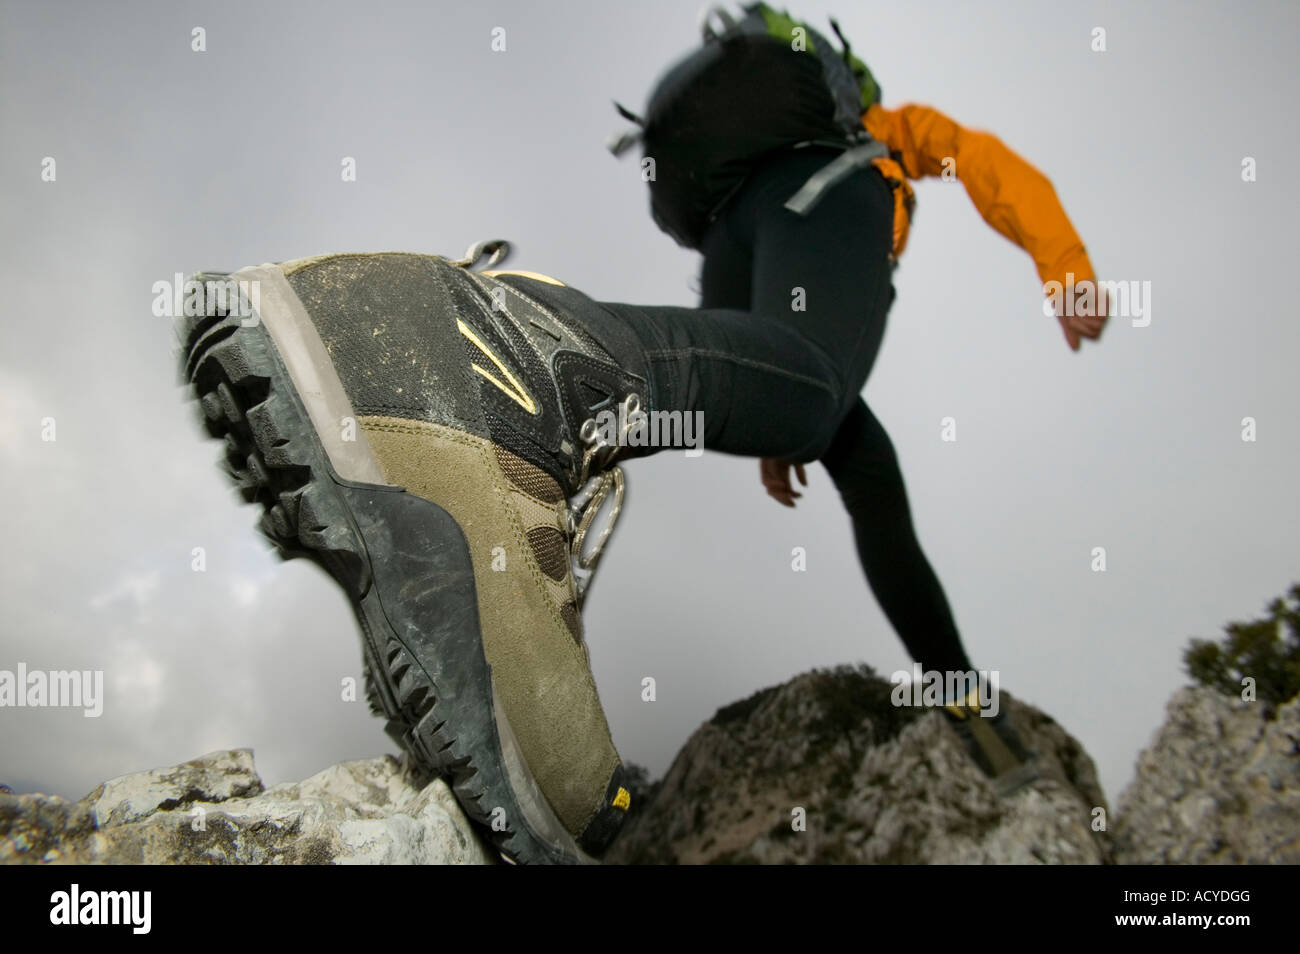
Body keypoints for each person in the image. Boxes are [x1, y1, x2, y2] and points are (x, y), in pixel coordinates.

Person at [176, 4, 1106, 864]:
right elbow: (986, 162)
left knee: (858, 451)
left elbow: (740, 326)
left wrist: (778, 434)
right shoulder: (882, 133)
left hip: (743, 233)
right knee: (822, 388)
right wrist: (1063, 264)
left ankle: (452, 485)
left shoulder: (747, 182)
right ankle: (498, 368)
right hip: (834, 190)